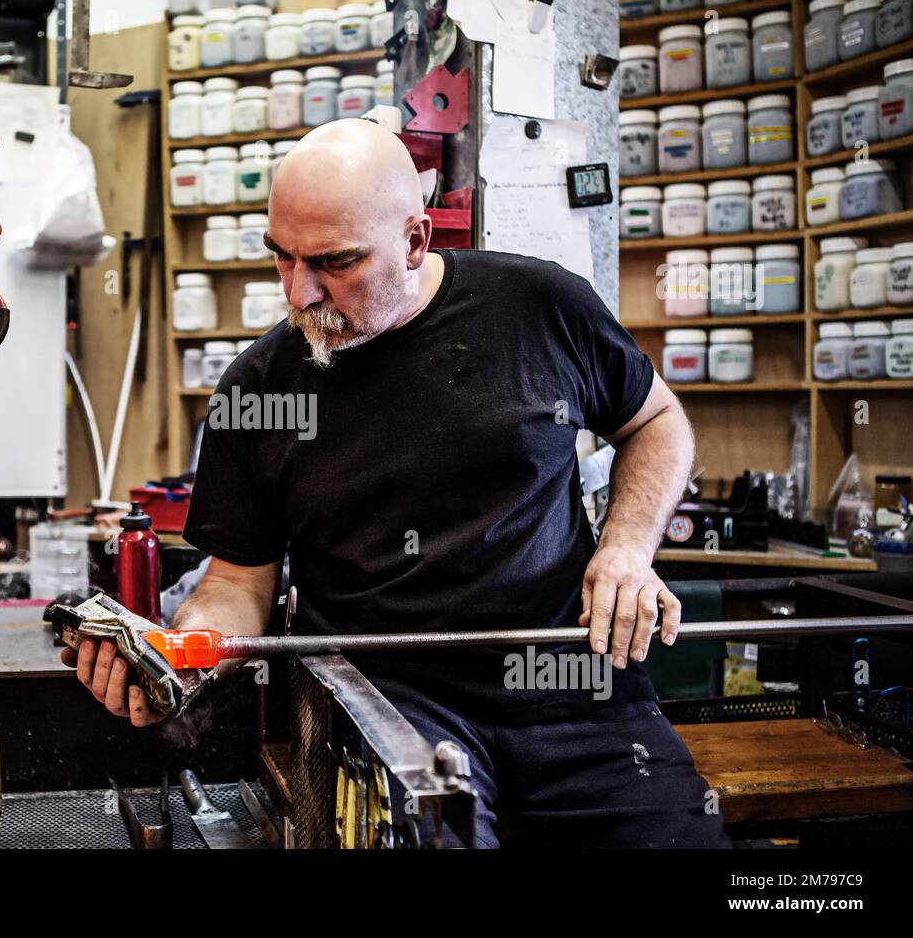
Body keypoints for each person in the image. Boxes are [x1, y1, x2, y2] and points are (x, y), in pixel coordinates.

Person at [64, 118, 729, 848]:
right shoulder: (257, 390)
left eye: (334, 262)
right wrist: (182, 656)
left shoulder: (542, 308)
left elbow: (656, 420)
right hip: (386, 706)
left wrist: (629, 547)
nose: (300, 291)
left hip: (573, 689)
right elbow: (238, 586)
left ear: (417, 240)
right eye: (280, 259)